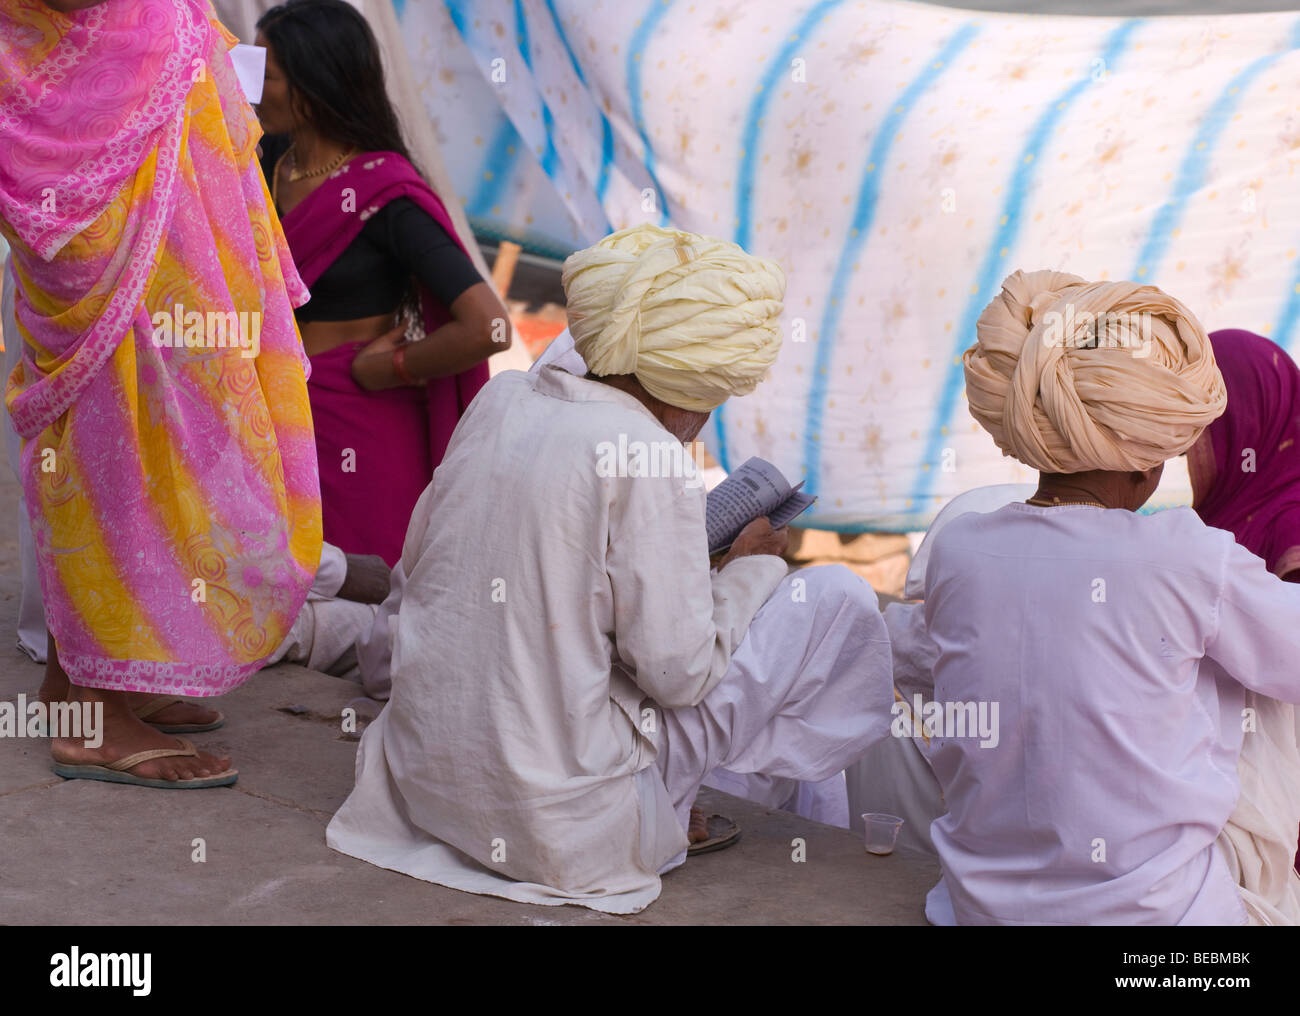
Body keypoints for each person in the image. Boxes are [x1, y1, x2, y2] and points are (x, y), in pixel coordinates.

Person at [326, 224, 895, 913]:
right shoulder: (648, 454)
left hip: (422, 796)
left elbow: (434, 578)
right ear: (692, 384)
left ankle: (689, 796)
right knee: (830, 596)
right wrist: (747, 570)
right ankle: (679, 802)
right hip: (565, 833)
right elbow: (678, 674)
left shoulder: (501, 401)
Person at [0, 0, 321, 786]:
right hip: (93, 150)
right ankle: (98, 712)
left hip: (116, 129)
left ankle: (84, 679)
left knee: (141, 411)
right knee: (130, 421)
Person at [921, 269, 1300, 925]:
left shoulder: (957, 549)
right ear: (1148, 457)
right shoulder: (1186, 553)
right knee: (1259, 684)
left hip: (978, 909)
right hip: (1162, 919)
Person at [254, 0, 508, 565]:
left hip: (353, 427)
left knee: (360, 610)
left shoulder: (384, 194)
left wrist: (390, 366)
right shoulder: (263, 160)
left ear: (313, 82)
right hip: (265, 412)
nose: (252, 86)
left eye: (266, 74)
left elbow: (488, 325)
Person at [1189, 327, 1300, 890]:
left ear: (1246, 425)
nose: (1187, 448)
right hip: (1225, 778)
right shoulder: (1220, 519)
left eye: (1202, 428)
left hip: (1276, 785)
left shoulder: (1291, 521)